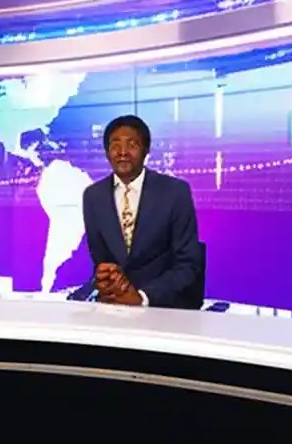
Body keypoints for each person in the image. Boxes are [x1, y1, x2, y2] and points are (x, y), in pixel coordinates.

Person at [80, 114, 203, 308]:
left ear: (146, 150)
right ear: (106, 152)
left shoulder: (175, 192)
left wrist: (142, 297)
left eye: (132, 145)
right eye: (115, 145)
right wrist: (105, 279)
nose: (123, 152)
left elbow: (188, 264)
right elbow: (100, 260)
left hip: (164, 307)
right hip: (114, 308)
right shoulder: (93, 196)